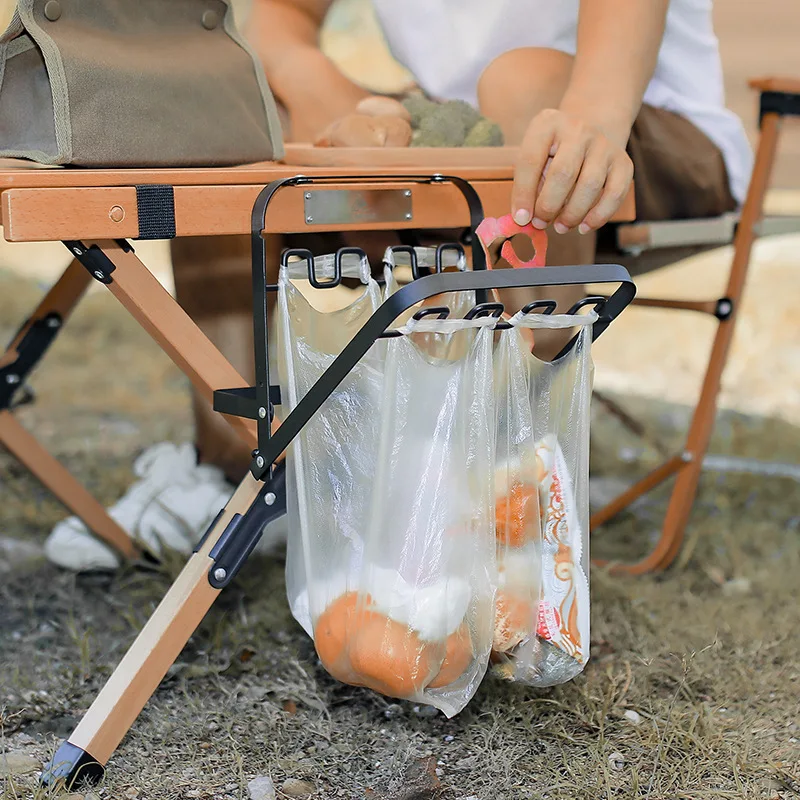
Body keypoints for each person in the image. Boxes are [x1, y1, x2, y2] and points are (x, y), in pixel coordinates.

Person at [43, 0, 753, 571]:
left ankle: (512, 479)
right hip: (460, 135)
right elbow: (282, 19)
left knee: (524, 81)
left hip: (634, 129)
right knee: (242, 109)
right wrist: (339, 98)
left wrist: (594, 120)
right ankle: (241, 469)